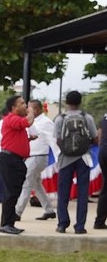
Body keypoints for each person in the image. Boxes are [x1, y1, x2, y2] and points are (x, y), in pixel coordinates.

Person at [53, 90, 98, 234]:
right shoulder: (87, 117)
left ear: (66, 102)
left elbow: (58, 139)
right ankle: (80, 226)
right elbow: (95, 138)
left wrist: (67, 150)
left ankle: (62, 224)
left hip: (65, 159)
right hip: (83, 158)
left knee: (63, 192)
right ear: (80, 102)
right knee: (83, 193)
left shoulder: (60, 118)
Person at [0, 96, 36, 234]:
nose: (25, 106)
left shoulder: (15, 121)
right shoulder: (11, 118)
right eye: (22, 103)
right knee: (11, 193)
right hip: (10, 159)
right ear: (14, 107)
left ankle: (9, 222)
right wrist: (31, 111)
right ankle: (6, 224)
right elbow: (28, 121)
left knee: (14, 193)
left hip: (15, 160)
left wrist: (27, 140)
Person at [15, 99, 57, 221]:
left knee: (27, 183)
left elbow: (53, 140)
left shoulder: (46, 122)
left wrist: (58, 157)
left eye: (29, 107)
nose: (27, 109)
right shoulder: (32, 121)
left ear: (37, 109)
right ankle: (49, 210)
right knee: (36, 184)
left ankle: (17, 212)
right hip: (32, 156)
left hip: (38, 156)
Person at [95, 111, 107, 230]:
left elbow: (99, 133)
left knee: (105, 189)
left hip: (103, 152)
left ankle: (99, 221)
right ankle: (99, 222)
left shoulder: (104, 116)